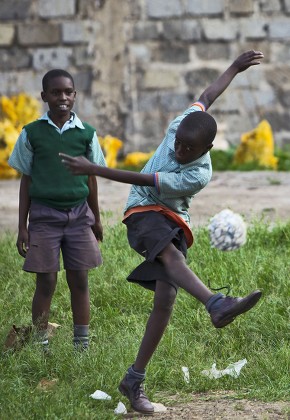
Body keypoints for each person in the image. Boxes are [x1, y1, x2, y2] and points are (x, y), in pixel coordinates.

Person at [60, 50, 264, 413]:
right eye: (178, 143)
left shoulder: (198, 174)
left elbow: (147, 175)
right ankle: (216, 304)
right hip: (143, 211)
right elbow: (208, 94)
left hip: (172, 218)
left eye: (188, 148)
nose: (179, 149)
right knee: (170, 257)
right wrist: (234, 66)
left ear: (207, 150)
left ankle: (133, 379)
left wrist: (94, 168)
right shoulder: (184, 122)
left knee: (166, 298)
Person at [8, 69, 106, 351]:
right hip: (44, 217)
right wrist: (22, 226)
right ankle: (42, 344)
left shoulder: (86, 134)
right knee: (47, 280)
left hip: (78, 217)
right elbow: (26, 180)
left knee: (79, 278)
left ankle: (82, 344)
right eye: (55, 92)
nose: (62, 97)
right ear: (44, 96)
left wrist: (96, 219)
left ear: (75, 95)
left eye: (68, 92)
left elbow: (91, 178)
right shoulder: (32, 133)